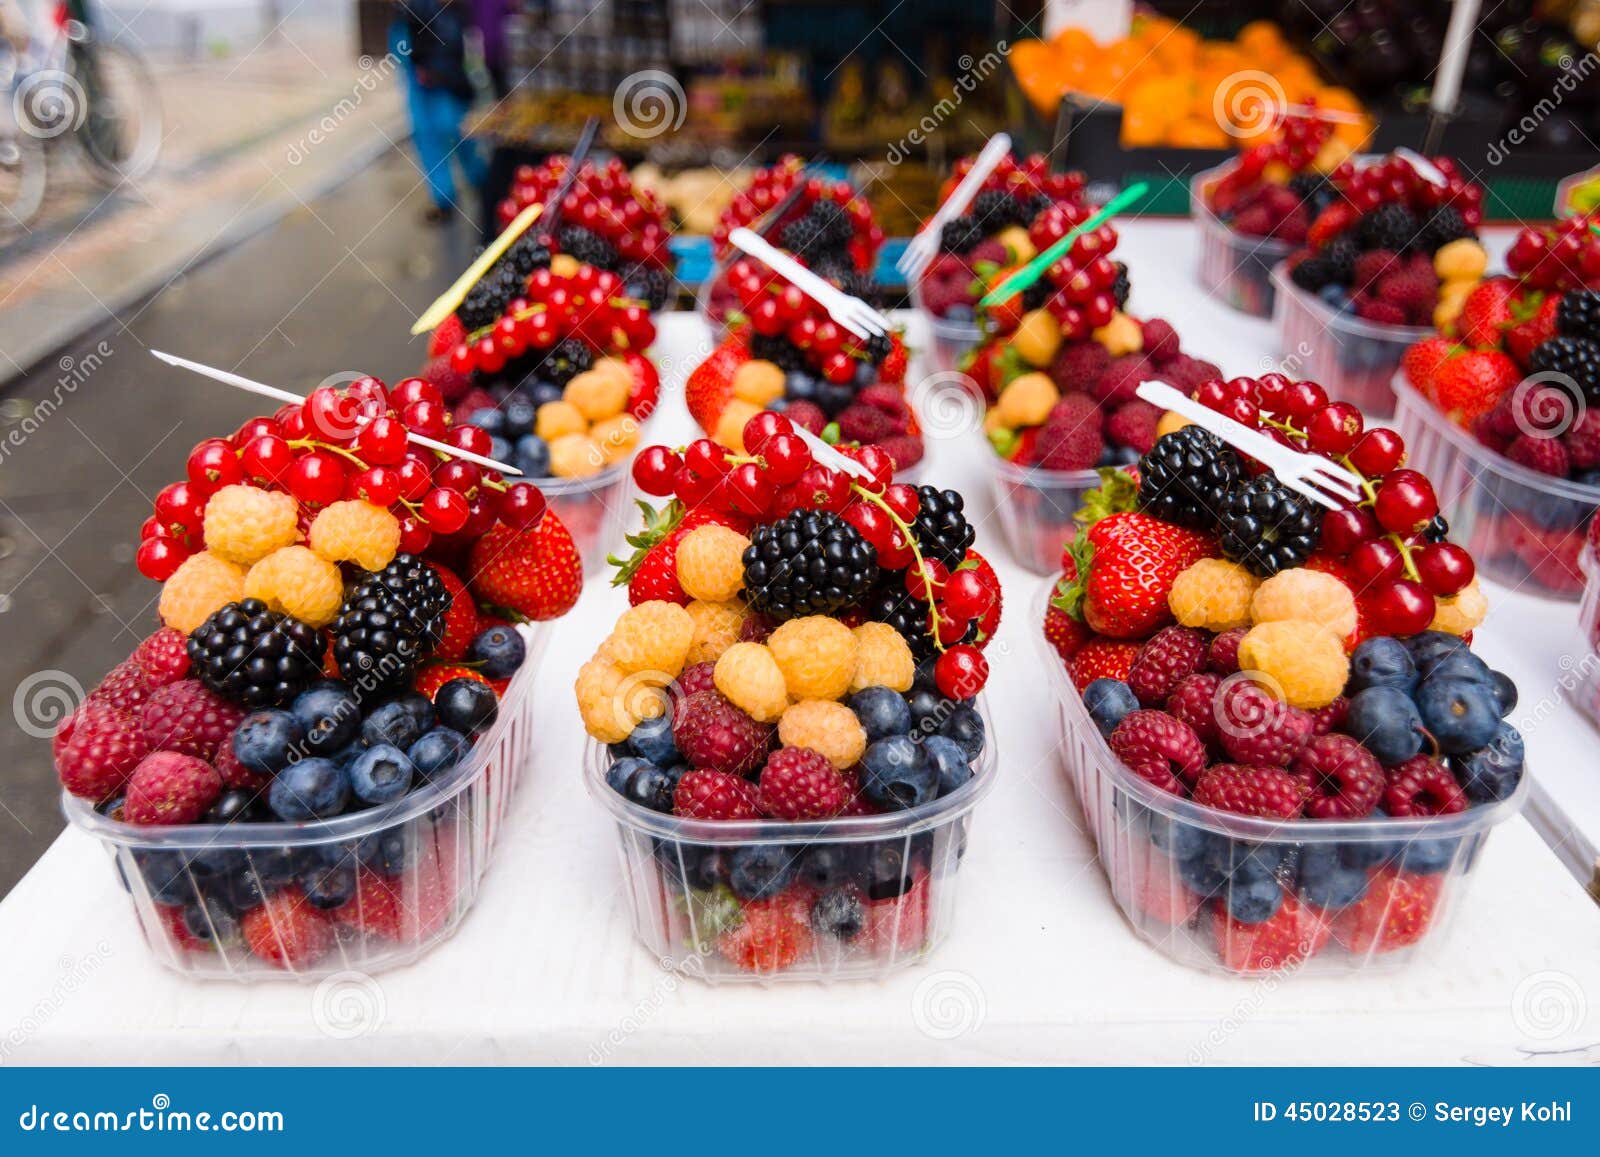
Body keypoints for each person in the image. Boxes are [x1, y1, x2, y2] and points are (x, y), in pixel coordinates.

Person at [392, 0, 486, 224]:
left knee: (450, 130)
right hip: (424, 50)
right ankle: (452, 195)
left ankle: (480, 184)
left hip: (437, 60)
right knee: (434, 134)